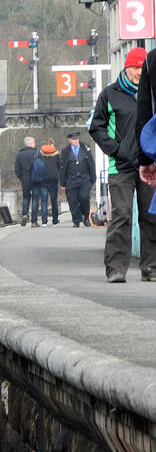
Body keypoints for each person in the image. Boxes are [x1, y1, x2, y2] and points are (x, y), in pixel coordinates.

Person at [89, 47, 156, 281]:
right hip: (121, 167)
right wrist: (116, 150)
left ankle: (151, 268)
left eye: (142, 67)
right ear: (126, 67)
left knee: (151, 217)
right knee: (122, 216)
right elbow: (95, 127)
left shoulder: (151, 93)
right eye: (135, 67)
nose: (139, 72)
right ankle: (116, 269)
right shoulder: (109, 94)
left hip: (151, 165)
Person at [59, 132, 95, 227]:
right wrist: (62, 183)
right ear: (70, 140)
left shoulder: (85, 148)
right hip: (71, 180)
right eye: (74, 140)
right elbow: (62, 168)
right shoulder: (65, 151)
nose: (76, 141)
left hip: (84, 178)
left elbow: (91, 163)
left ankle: (86, 217)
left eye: (77, 139)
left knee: (84, 198)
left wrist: (93, 178)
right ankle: (76, 220)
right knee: (72, 201)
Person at [34, 139, 61, 225]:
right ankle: (55, 221)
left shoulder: (39, 153)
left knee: (44, 201)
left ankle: (44, 222)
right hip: (53, 180)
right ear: (52, 144)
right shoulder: (56, 154)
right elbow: (59, 166)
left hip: (43, 180)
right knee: (54, 200)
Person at [14, 135, 37, 226]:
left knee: (26, 197)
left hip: (25, 178)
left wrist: (21, 177)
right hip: (36, 179)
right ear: (31, 143)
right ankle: (34, 221)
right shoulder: (37, 153)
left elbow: (17, 169)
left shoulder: (20, 154)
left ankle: (24, 214)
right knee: (35, 198)